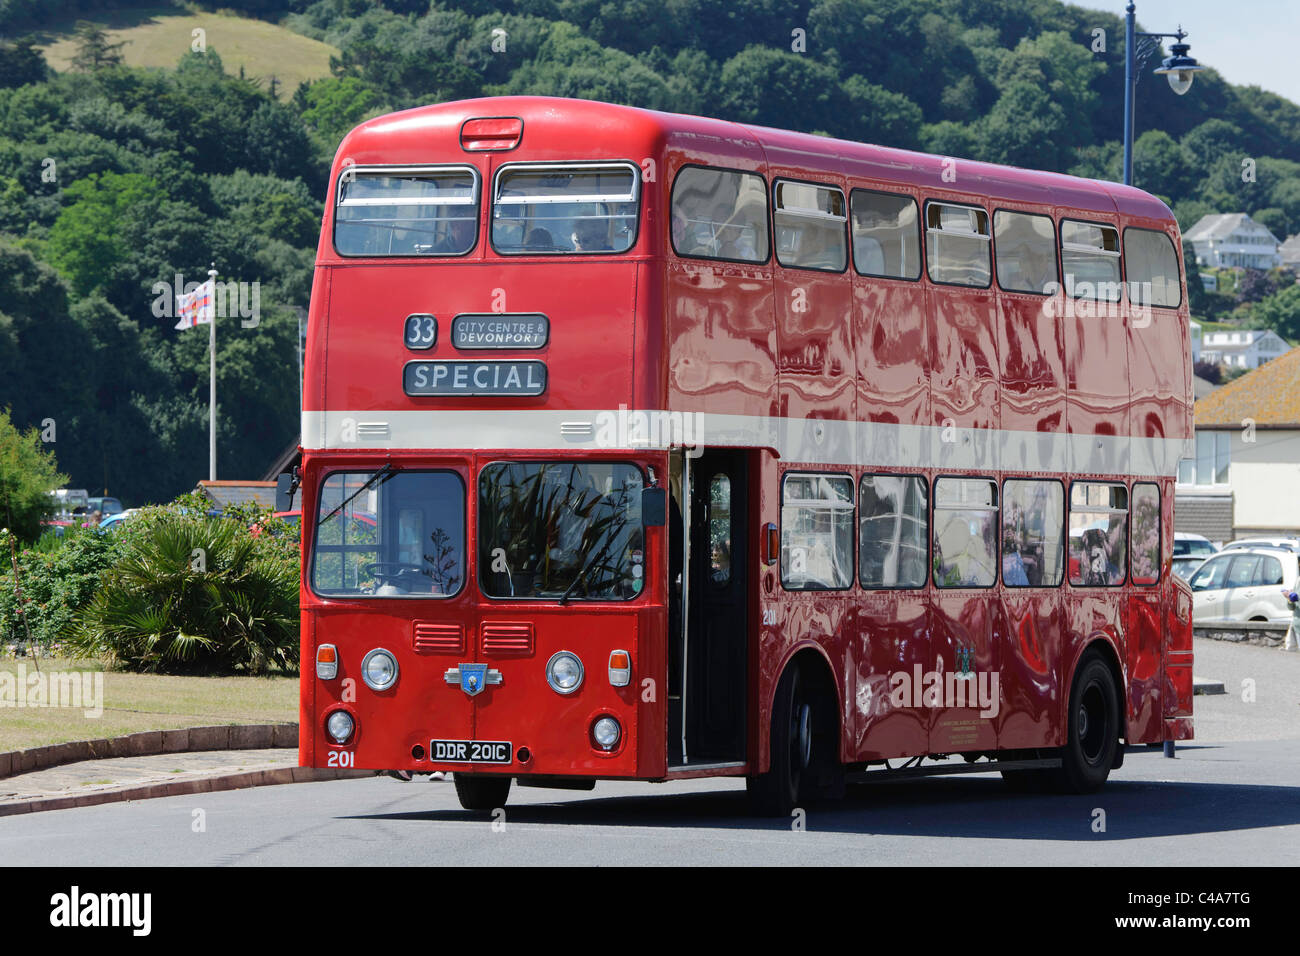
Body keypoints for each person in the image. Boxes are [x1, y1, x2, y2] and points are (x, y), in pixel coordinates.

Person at [1284, 587, 1300, 652]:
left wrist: (1298, 599)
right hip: (1297, 627)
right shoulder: (1298, 581)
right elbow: (1291, 607)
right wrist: (1289, 598)